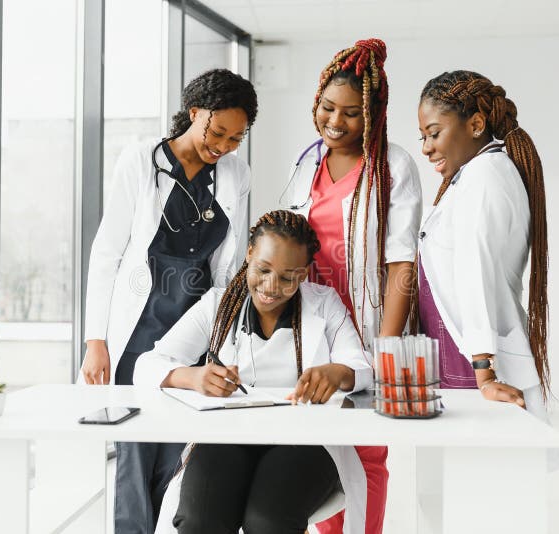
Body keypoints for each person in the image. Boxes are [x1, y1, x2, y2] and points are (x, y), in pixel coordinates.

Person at [80, 68, 257, 534]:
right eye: (216, 132)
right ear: (194, 112)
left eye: (236, 138)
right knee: (135, 452)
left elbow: (231, 260)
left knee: (176, 451)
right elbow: (107, 250)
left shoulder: (235, 172)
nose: (223, 146)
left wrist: (224, 333)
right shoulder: (141, 160)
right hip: (139, 326)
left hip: (195, 329)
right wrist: (95, 338)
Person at [133, 210, 373, 534]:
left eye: (288, 277)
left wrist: (336, 372)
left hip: (304, 439)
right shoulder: (218, 304)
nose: (271, 287)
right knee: (201, 519)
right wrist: (193, 376)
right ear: (249, 254)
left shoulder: (324, 304)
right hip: (226, 436)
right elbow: (148, 364)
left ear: (303, 274)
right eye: (262, 269)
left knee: (267, 521)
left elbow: (361, 367)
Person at [280, 38, 422, 533]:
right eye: (327, 107)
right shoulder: (305, 164)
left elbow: (402, 265)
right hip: (311, 325)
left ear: (375, 115)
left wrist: (385, 348)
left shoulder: (394, 166)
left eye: (352, 113)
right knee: (317, 443)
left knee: (365, 451)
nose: (336, 121)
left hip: (365, 326)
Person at [416, 70, 552, 421]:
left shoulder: (484, 177)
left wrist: (485, 372)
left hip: (471, 358)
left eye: (434, 133)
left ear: (476, 124)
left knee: (470, 469)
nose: (426, 148)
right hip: (459, 350)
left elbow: (473, 270)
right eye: (423, 137)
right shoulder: (475, 174)